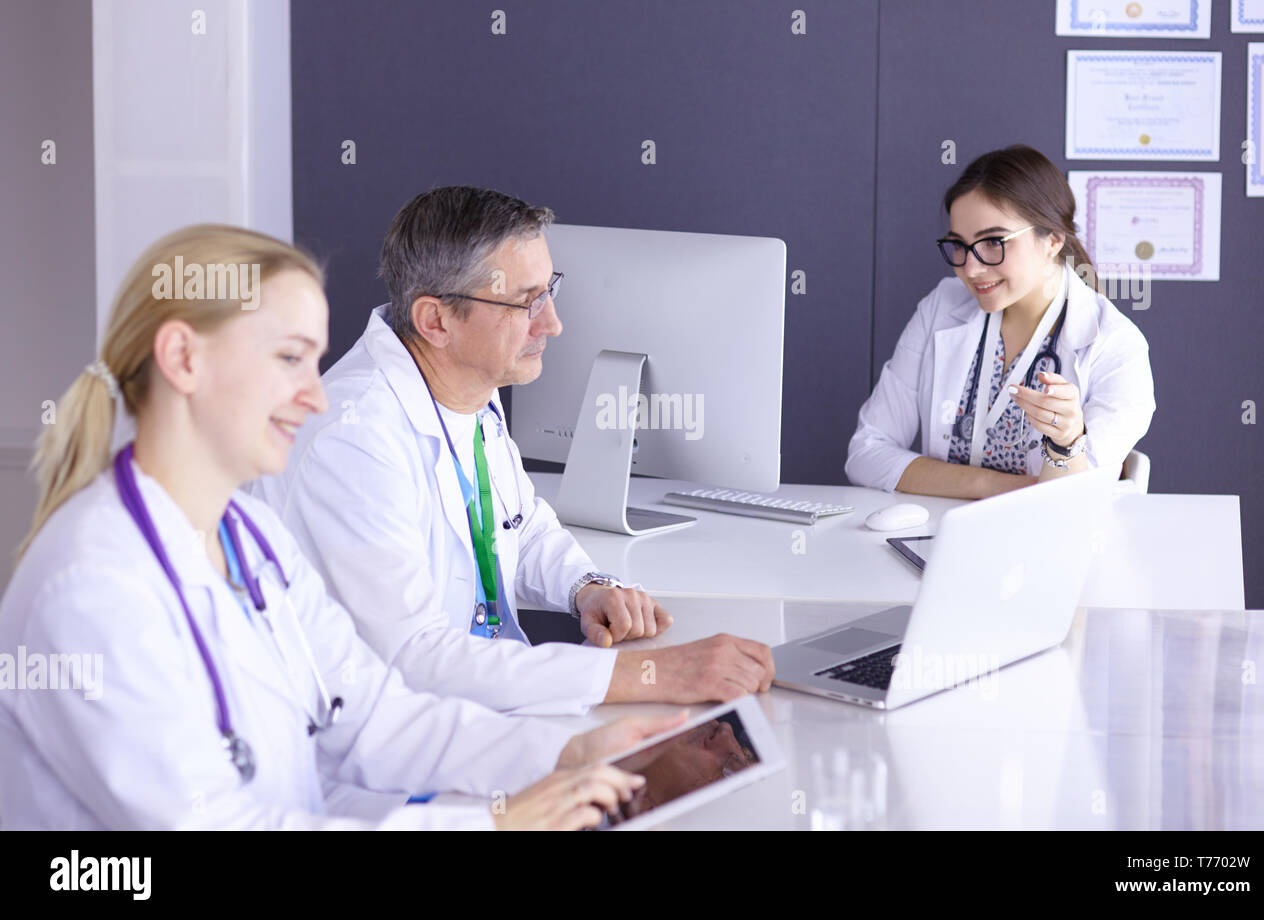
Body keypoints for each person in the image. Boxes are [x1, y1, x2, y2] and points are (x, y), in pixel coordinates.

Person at [0, 224, 687, 830]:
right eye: (290, 358)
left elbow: (370, 714)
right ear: (184, 359)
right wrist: (492, 825)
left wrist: (564, 754)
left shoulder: (246, 533)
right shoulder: (92, 588)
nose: (318, 393)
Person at [254, 186, 774, 718]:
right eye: (525, 302)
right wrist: (651, 674)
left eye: (548, 291)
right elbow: (413, 658)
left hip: (481, 714)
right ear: (436, 321)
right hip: (390, 758)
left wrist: (585, 587)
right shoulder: (353, 439)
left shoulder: (465, 387)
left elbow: (518, 523)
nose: (552, 323)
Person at [845, 145, 1155, 499]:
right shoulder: (941, 307)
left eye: (993, 242)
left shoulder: (1116, 346)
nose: (971, 269)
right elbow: (866, 452)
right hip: (945, 536)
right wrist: (990, 486)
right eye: (959, 245)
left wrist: (1067, 443)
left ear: (1053, 239)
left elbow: (1081, 499)